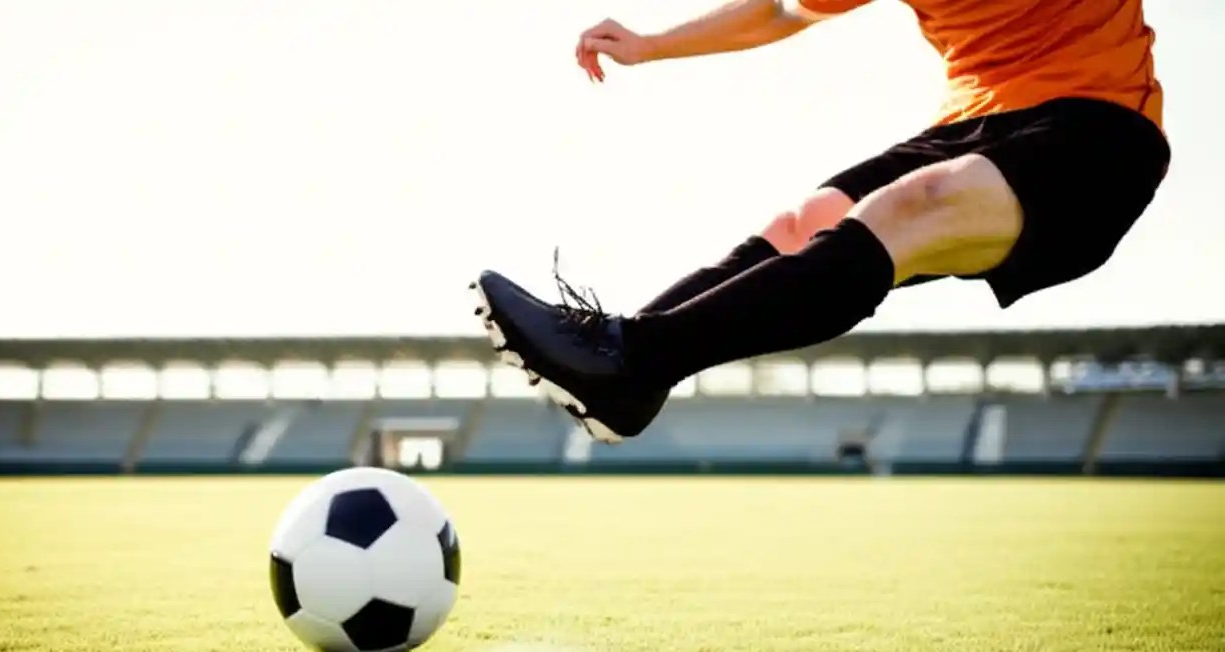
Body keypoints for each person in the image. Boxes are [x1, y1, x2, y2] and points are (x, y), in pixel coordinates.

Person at [471, 0, 1170, 443]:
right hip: (972, 123)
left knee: (912, 206)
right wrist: (651, 44)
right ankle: (615, 365)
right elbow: (781, 11)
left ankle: (633, 357)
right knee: (804, 223)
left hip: (1100, 129)